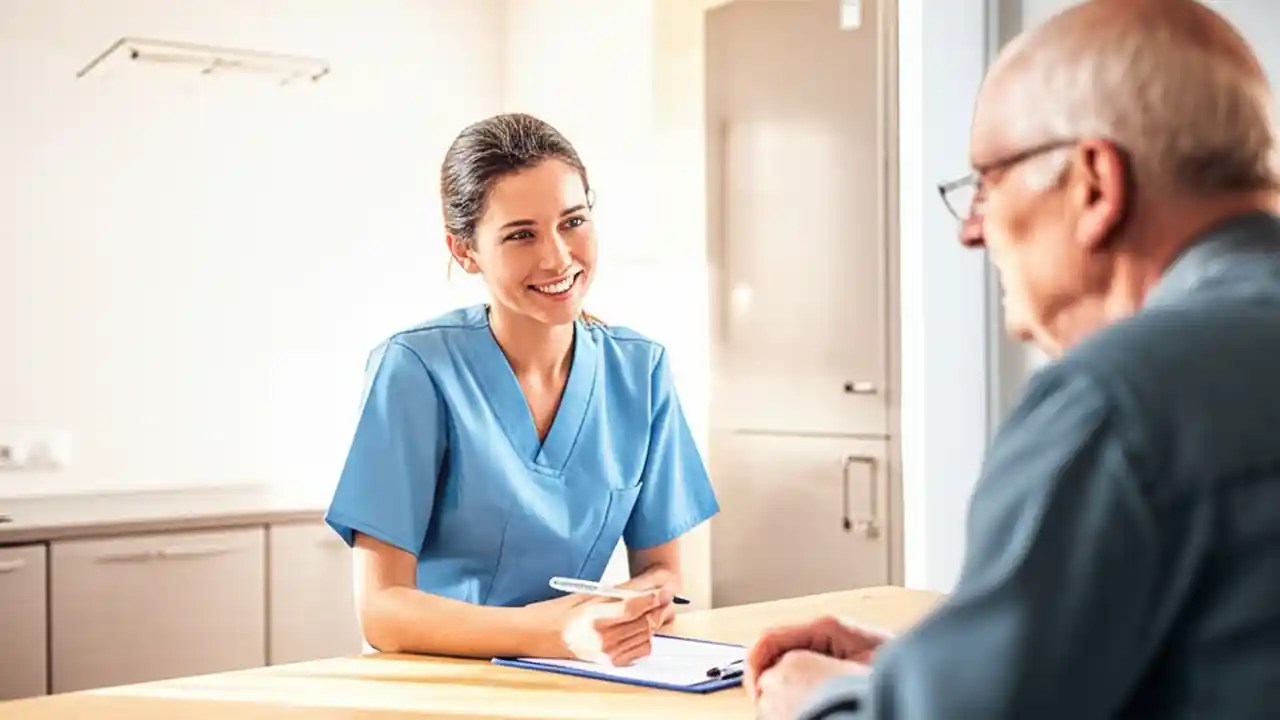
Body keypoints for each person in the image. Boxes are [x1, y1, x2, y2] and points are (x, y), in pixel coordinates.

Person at [748, 0, 1280, 717]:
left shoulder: (1116, 401)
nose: (972, 232)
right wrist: (935, 667)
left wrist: (824, 700)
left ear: (1094, 183)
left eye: (987, 185)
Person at [325, 113, 719, 666]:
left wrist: (622, 613)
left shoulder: (640, 369)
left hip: (575, 676)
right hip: (436, 684)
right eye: (520, 234)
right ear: (465, 252)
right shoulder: (415, 369)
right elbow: (382, 610)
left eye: (572, 221)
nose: (557, 256)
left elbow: (662, 571)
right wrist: (556, 633)